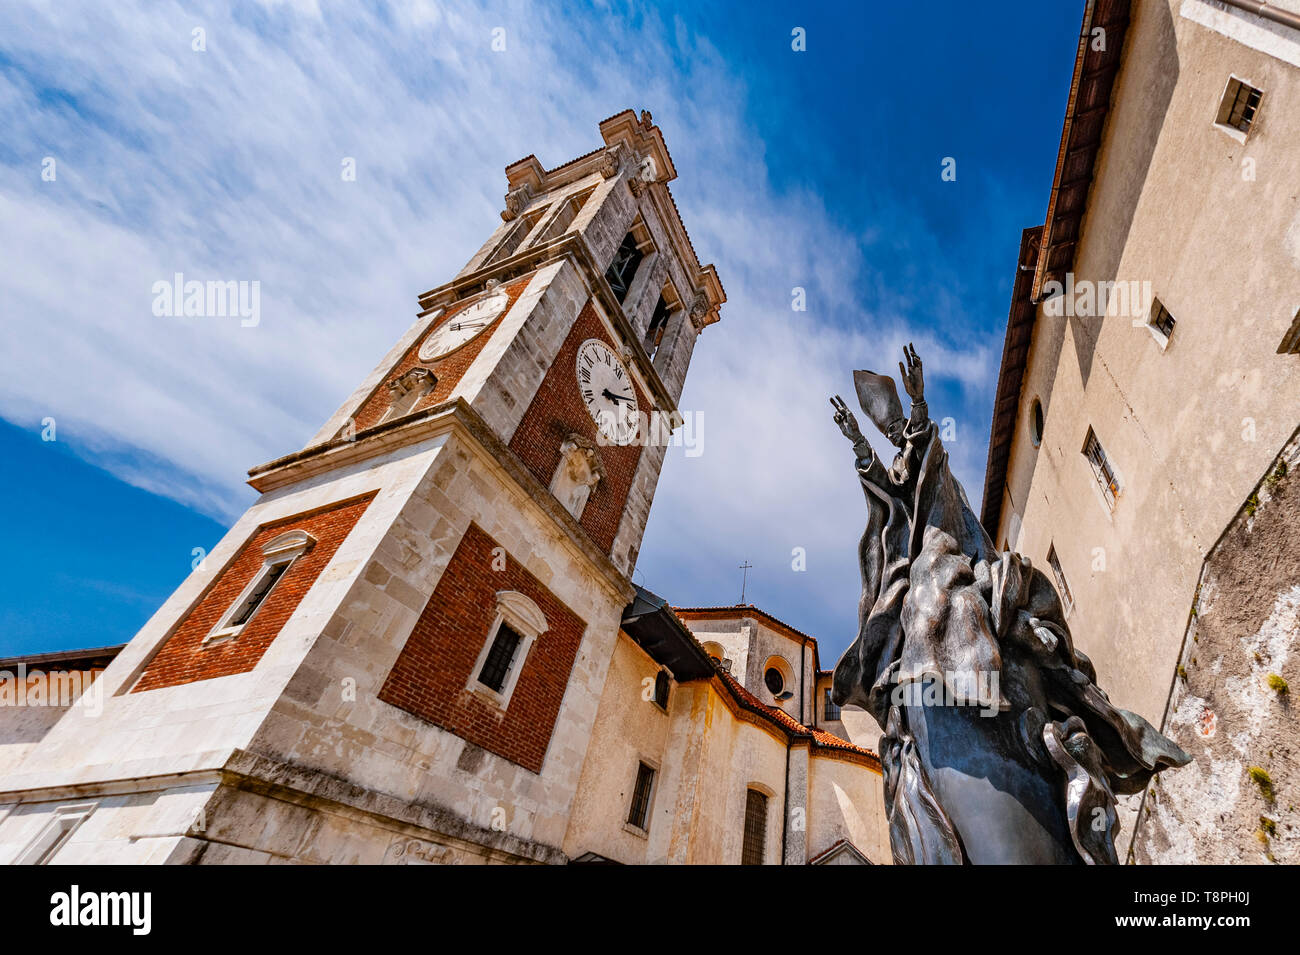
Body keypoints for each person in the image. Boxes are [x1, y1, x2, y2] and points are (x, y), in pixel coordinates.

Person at [829, 345, 1189, 864]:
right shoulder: (899, 491)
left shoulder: (926, 469)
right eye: (887, 430)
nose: (893, 438)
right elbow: (889, 503)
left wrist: (920, 406)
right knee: (917, 607)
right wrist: (860, 446)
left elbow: (932, 477)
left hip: (941, 556)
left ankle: (993, 673)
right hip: (917, 571)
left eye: (892, 429)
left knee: (951, 591)